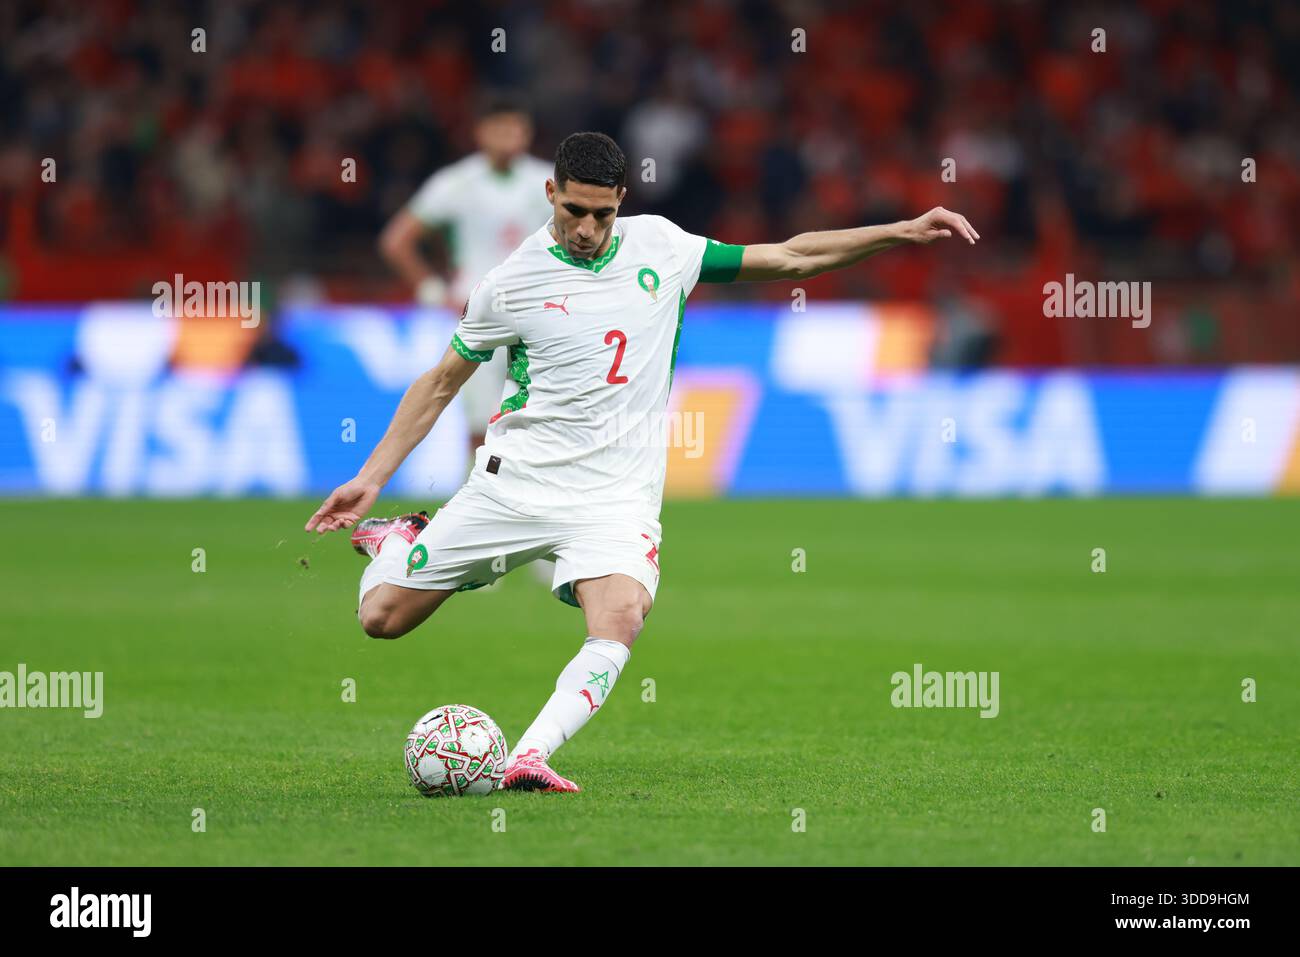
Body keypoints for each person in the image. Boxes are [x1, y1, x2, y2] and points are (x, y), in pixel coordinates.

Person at [308, 131, 979, 792]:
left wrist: (899, 230)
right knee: (383, 620)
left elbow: (793, 257)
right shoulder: (510, 283)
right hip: (516, 484)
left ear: (622, 200)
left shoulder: (664, 245)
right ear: (552, 194)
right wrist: (370, 478)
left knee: (621, 615)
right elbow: (441, 381)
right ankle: (398, 542)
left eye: (603, 213)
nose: (587, 228)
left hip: (615, 498)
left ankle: (527, 755)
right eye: (574, 211)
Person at [378, 94, 553, 454]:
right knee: (481, 421)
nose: (507, 136)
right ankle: (481, 499)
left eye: (515, 128)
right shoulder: (456, 183)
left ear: (528, 132)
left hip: (540, 314)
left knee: (539, 416)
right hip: (478, 314)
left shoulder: (548, 182)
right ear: (481, 132)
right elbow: (397, 241)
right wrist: (433, 292)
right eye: (499, 128)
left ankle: (531, 501)